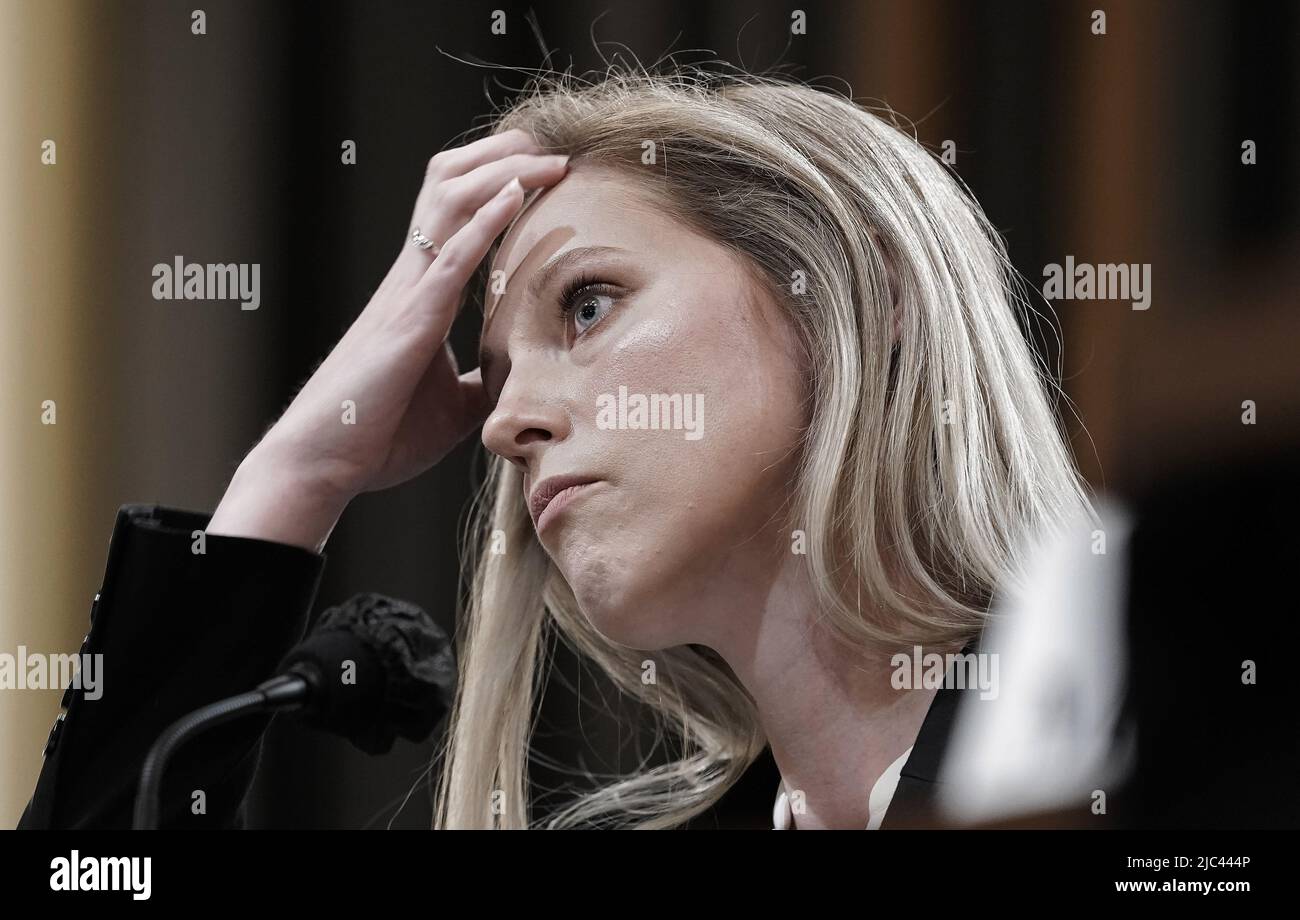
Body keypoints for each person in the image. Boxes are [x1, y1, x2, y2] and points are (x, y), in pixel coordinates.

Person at [18, 64, 1096, 830]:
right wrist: (296, 475)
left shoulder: (1139, 751)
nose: (503, 422)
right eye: (494, 374)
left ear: (859, 289)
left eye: (586, 305)